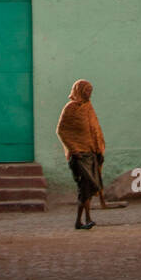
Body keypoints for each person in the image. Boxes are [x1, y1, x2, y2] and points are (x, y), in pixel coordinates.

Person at [56, 79, 105, 229]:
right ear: (79, 91)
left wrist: (99, 149)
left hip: (91, 154)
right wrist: (74, 149)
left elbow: (95, 130)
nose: (89, 94)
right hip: (78, 156)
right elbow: (61, 130)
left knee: (89, 189)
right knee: (84, 187)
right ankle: (85, 219)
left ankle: (81, 221)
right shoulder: (70, 108)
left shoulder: (88, 108)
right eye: (86, 91)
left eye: (90, 91)